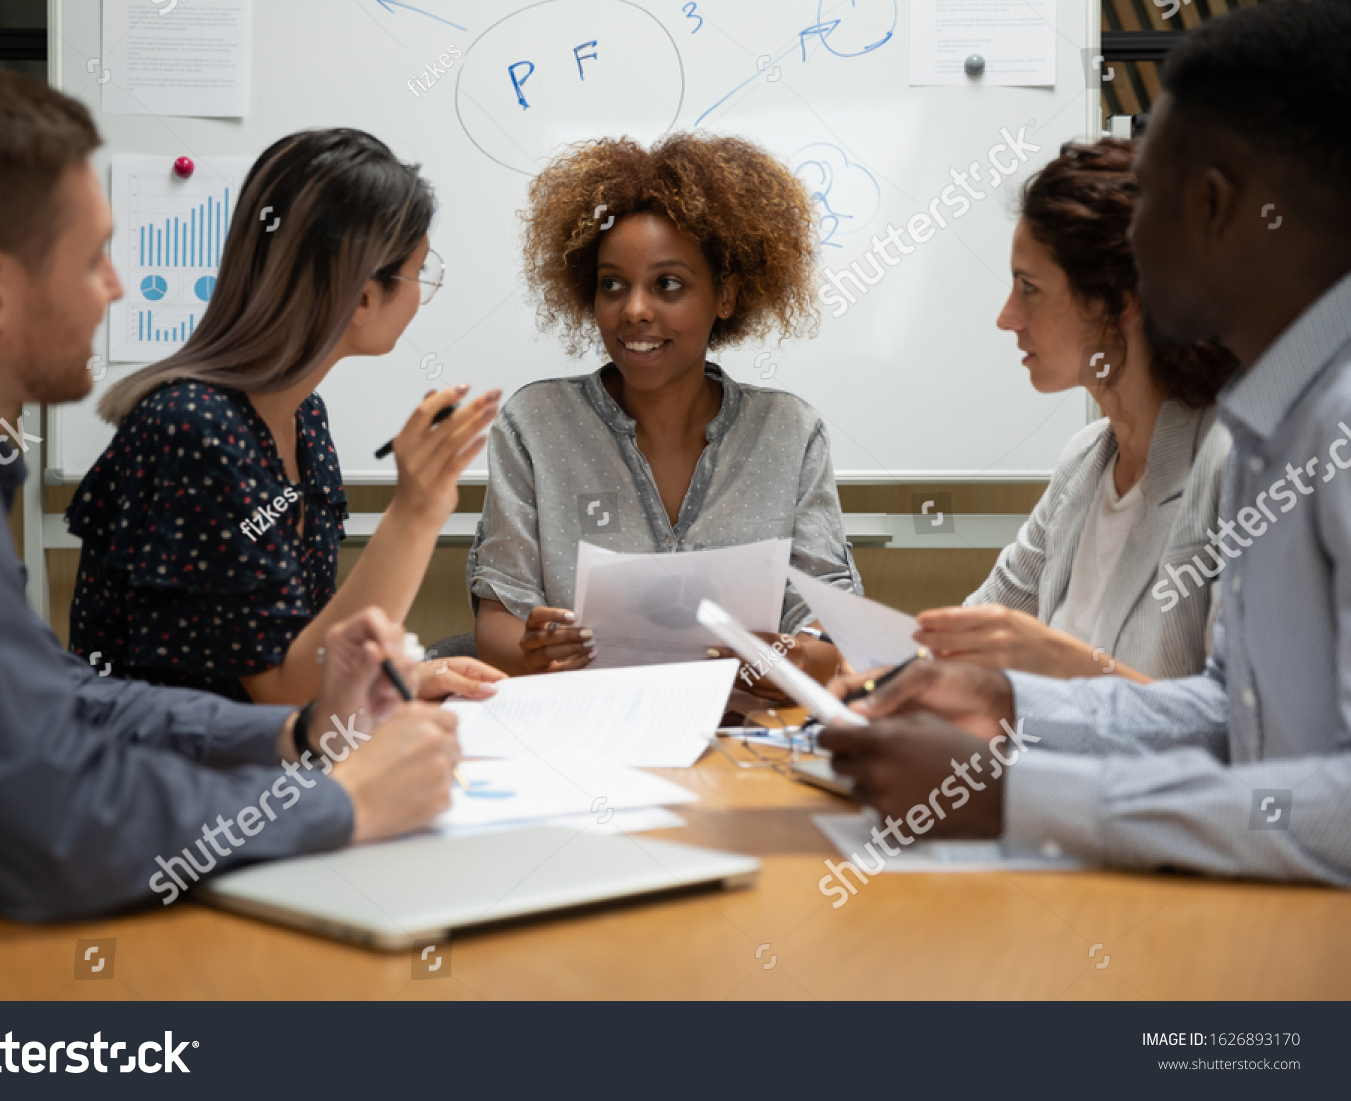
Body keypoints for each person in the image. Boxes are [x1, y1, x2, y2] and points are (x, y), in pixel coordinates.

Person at [0, 62, 459, 922]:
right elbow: (50, 825)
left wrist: (299, 737)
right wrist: (344, 800)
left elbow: (55, 694)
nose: (118, 287)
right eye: (94, 255)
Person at [820, 0, 1351, 887]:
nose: (1136, 243)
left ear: (1214, 207)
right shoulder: (1277, 416)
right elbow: (1237, 716)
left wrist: (1015, 794)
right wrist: (1003, 697)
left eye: (1152, 203)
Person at [67, 128, 505, 706]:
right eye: (419, 272)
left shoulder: (304, 419)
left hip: (260, 764)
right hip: (172, 782)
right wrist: (418, 510)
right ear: (364, 298)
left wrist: (398, 679)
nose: (422, 294)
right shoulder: (193, 430)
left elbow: (297, 650)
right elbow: (281, 692)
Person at [468, 133, 858, 692]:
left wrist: (791, 656)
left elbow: (829, 629)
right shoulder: (534, 424)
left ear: (725, 295)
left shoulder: (789, 433)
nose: (634, 310)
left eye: (667, 284)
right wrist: (538, 649)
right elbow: (498, 625)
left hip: (744, 741)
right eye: (612, 285)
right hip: (586, 734)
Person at [914, 140, 1238, 684]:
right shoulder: (1086, 458)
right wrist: (890, 676)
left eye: (1030, 288)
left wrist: (1061, 663)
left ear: (1121, 300)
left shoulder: (1235, 463)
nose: (1006, 317)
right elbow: (980, 626)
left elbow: (1236, 730)